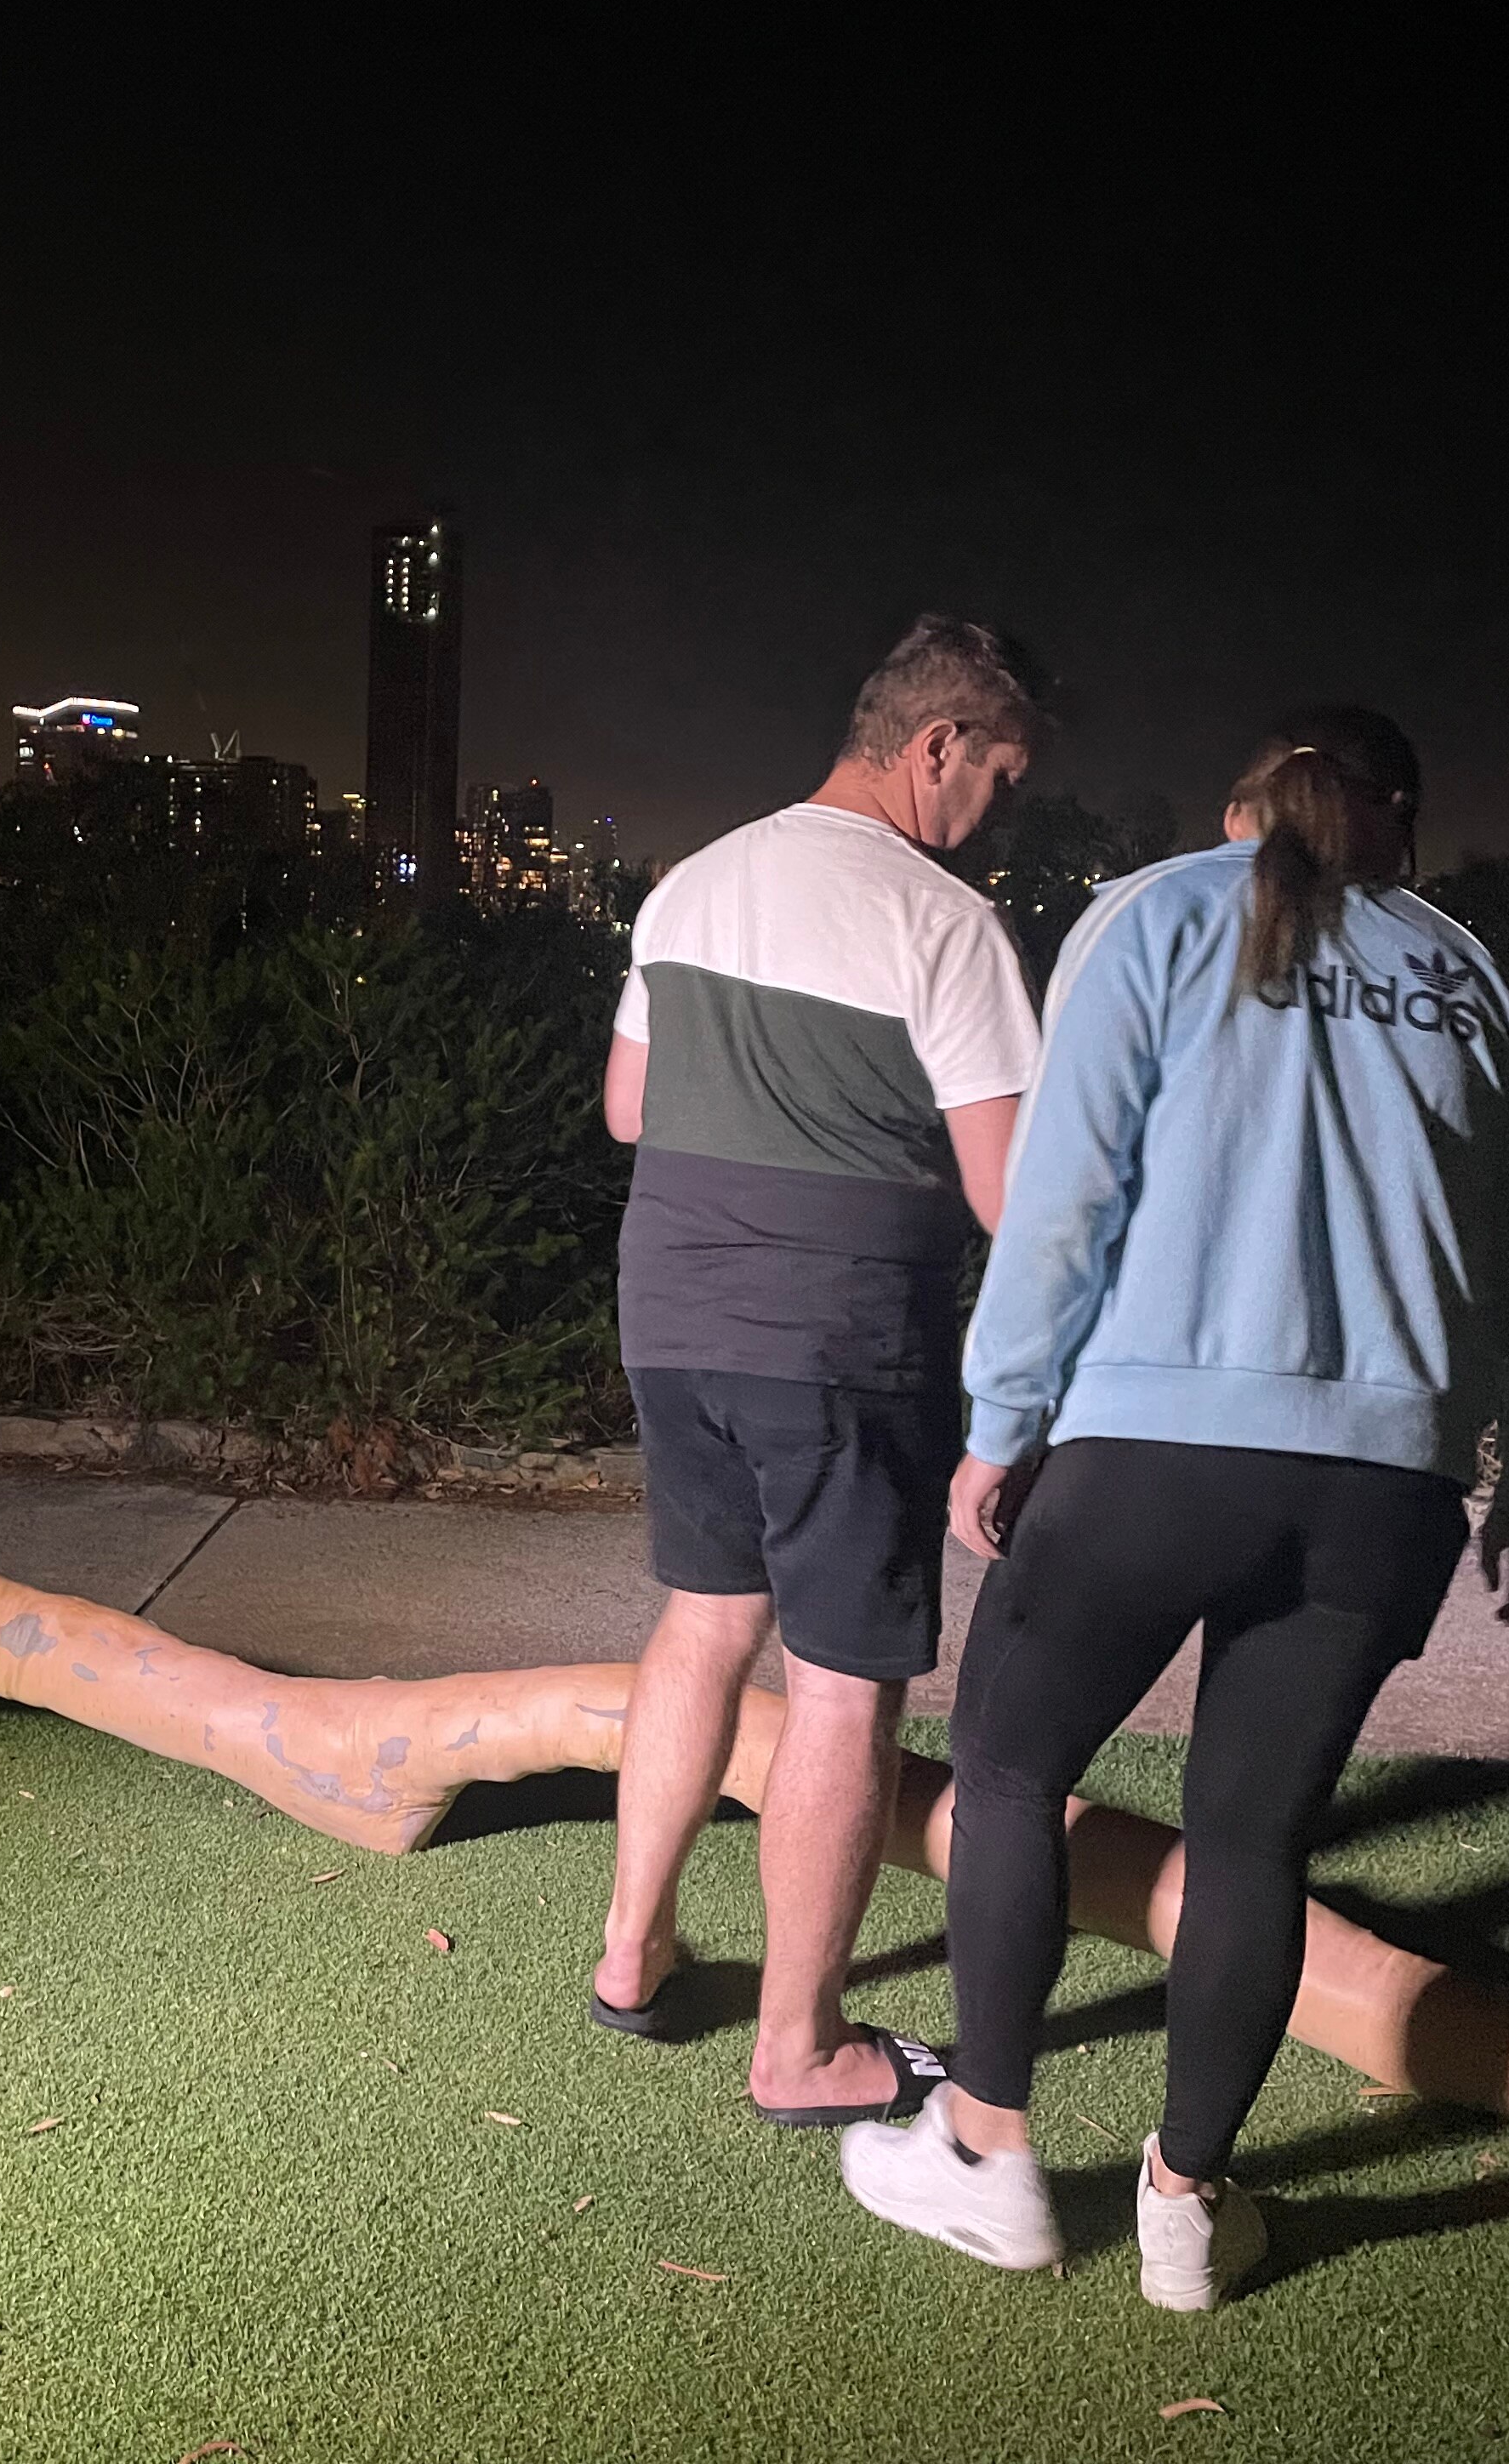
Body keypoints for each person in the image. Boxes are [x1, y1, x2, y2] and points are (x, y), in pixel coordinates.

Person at [840, 706, 1509, 2308]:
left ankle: (986, 2153)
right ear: (1403, 825)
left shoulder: (1159, 913)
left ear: (1243, 810)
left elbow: (1067, 1195)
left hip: (1155, 1451)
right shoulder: (1471, 975)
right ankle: (1186, 2212)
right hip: (1387, 1481)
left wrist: (1002, 1420)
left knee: (1012, 1769)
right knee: (1255, 1842)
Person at [592, 612, 1048, 2125]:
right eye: (998, 778)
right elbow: (1009, 1196)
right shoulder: (944, 924)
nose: (996, 812)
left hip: (671, 1311)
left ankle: (632, 1952)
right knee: (846, 1688)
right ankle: (798, 2049)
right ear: (938, 746)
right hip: (841, 1338)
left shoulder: (691, 881)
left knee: (705, 1620)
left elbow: (629, 1110)